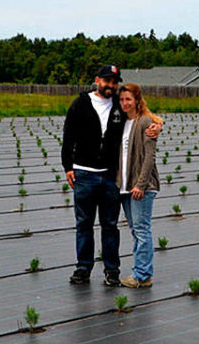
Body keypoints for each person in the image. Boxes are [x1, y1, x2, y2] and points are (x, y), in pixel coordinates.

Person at [62, 65, 160, 286]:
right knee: (84, 224)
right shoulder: (80, 104)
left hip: (109, 176)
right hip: (84, 173)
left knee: (109, 225)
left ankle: (111, 270)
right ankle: (83, 267)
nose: (111, 86)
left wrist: (157, 126)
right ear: (97, 80)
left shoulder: (119, 105)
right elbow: (68, 136)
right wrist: (68, 166)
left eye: (114, 82)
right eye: (107, 81)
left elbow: (143, 115)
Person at [116, 83, 160, 288]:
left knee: (142, 230)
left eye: (128, 99)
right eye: (122, 99)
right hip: (125, 186)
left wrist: (141, 185)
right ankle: (140, 272)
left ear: (137, 101)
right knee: (135, 230)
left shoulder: (145, 122)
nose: (125, 103)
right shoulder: (122, 122)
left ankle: (142, 276)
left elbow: (149, 157)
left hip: (141, 186)